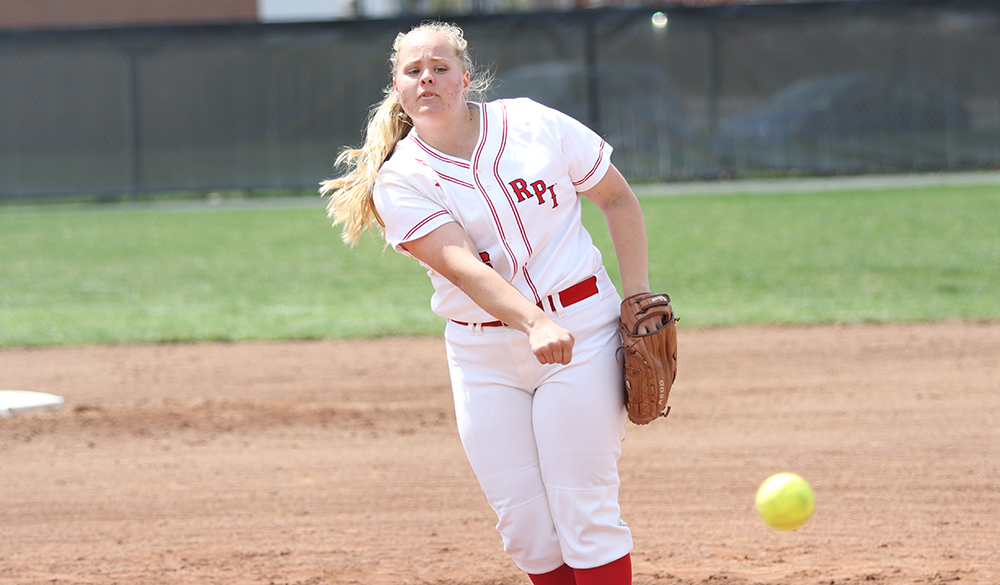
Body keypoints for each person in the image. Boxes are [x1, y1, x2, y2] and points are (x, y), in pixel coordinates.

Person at [322, 21, 663, 585]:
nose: (426, 78)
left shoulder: (531, 124)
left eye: (440, 67)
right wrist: (532, 322)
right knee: (525, 528)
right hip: (482, 355)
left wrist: (638, 297)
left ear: (465, 77)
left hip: (582, 331)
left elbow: (617, 198)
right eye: (413, 71)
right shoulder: (401, 178)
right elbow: (462, 267)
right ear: (397, 86)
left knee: (584, 509)